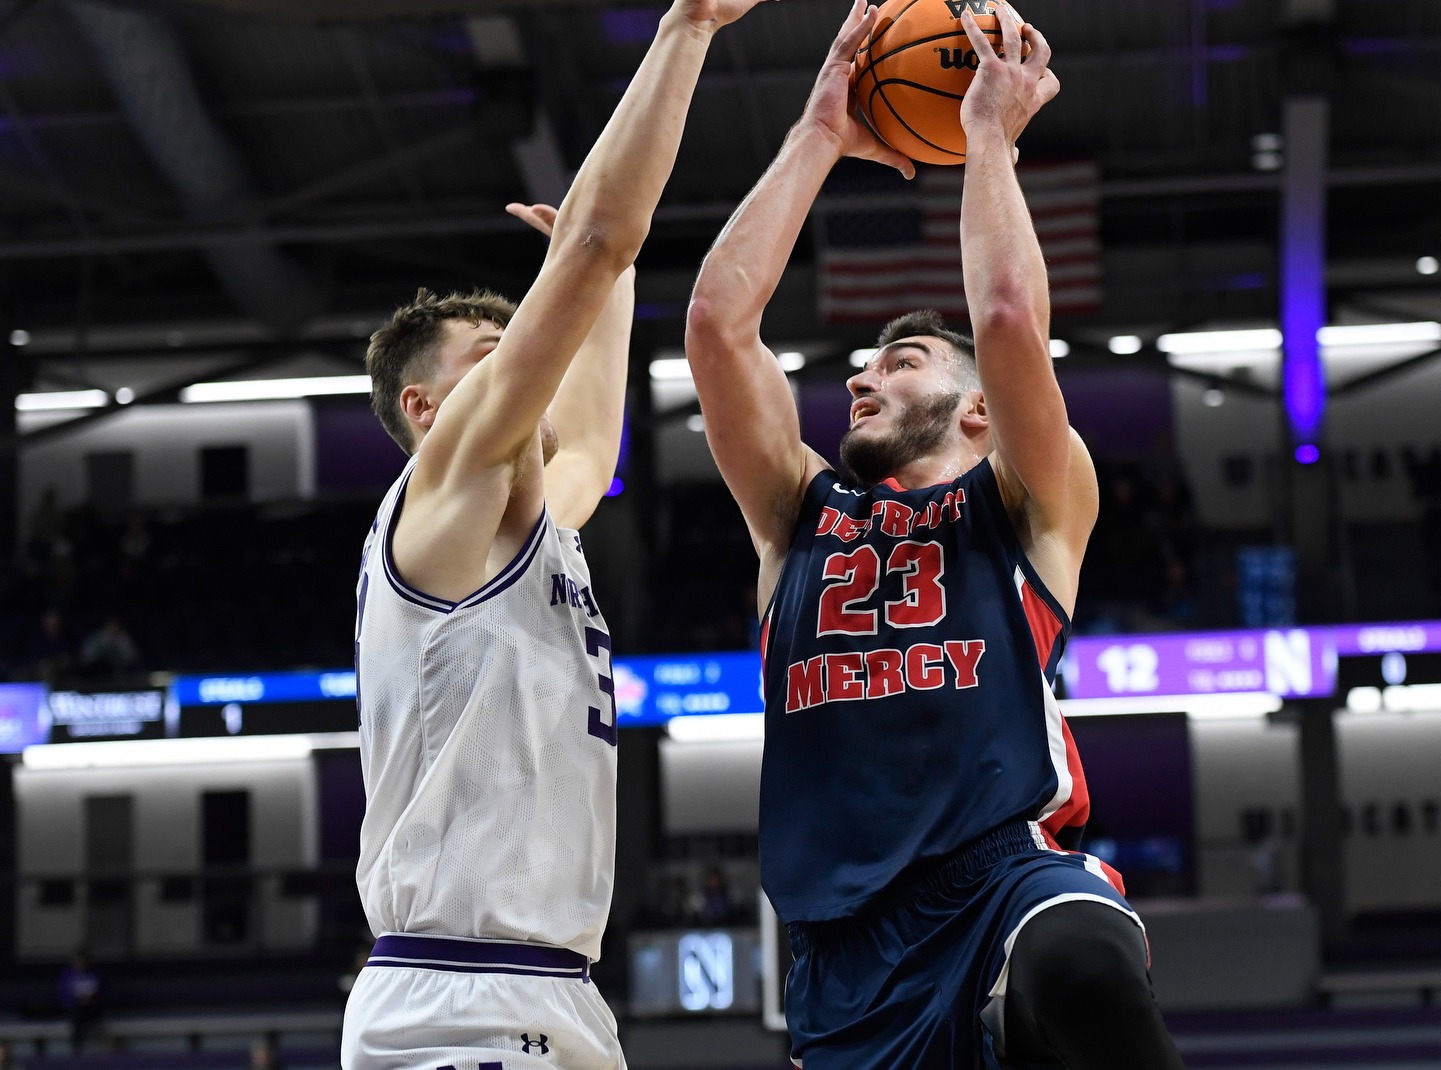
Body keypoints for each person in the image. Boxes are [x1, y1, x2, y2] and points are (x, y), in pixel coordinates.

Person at [683, 5, 1182, 1067]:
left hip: (1003, 875)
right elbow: (718, 327)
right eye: (864, 361)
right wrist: (818, 130)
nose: (861, 373)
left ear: (977, 413)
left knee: (1086, 961)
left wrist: (988, 135)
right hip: (842, 942)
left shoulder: (1028, 500)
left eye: (900, 359)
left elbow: (1005, 319)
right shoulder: (795, 515)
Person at [340, 1, 765, 1067]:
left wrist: (609, 288)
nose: (520, 355)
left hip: (557, 989)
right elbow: (595, 237)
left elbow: (590, 446)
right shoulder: (442, 502)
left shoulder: (522, 524)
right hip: (451, 992)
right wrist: (688, 28)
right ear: (428, 410)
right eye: (493, 350)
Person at [58, 949, 102, 1053]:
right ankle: (77, 1048)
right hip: (75, 1009)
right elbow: (64, 996)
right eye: (78, 961)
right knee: (76, 1015)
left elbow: (102, 992)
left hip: (92, 1008)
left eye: (83, 961)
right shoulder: (67, 976)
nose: (80, 963)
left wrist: (90, 1000)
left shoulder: (95, 974)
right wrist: (77, 1001)